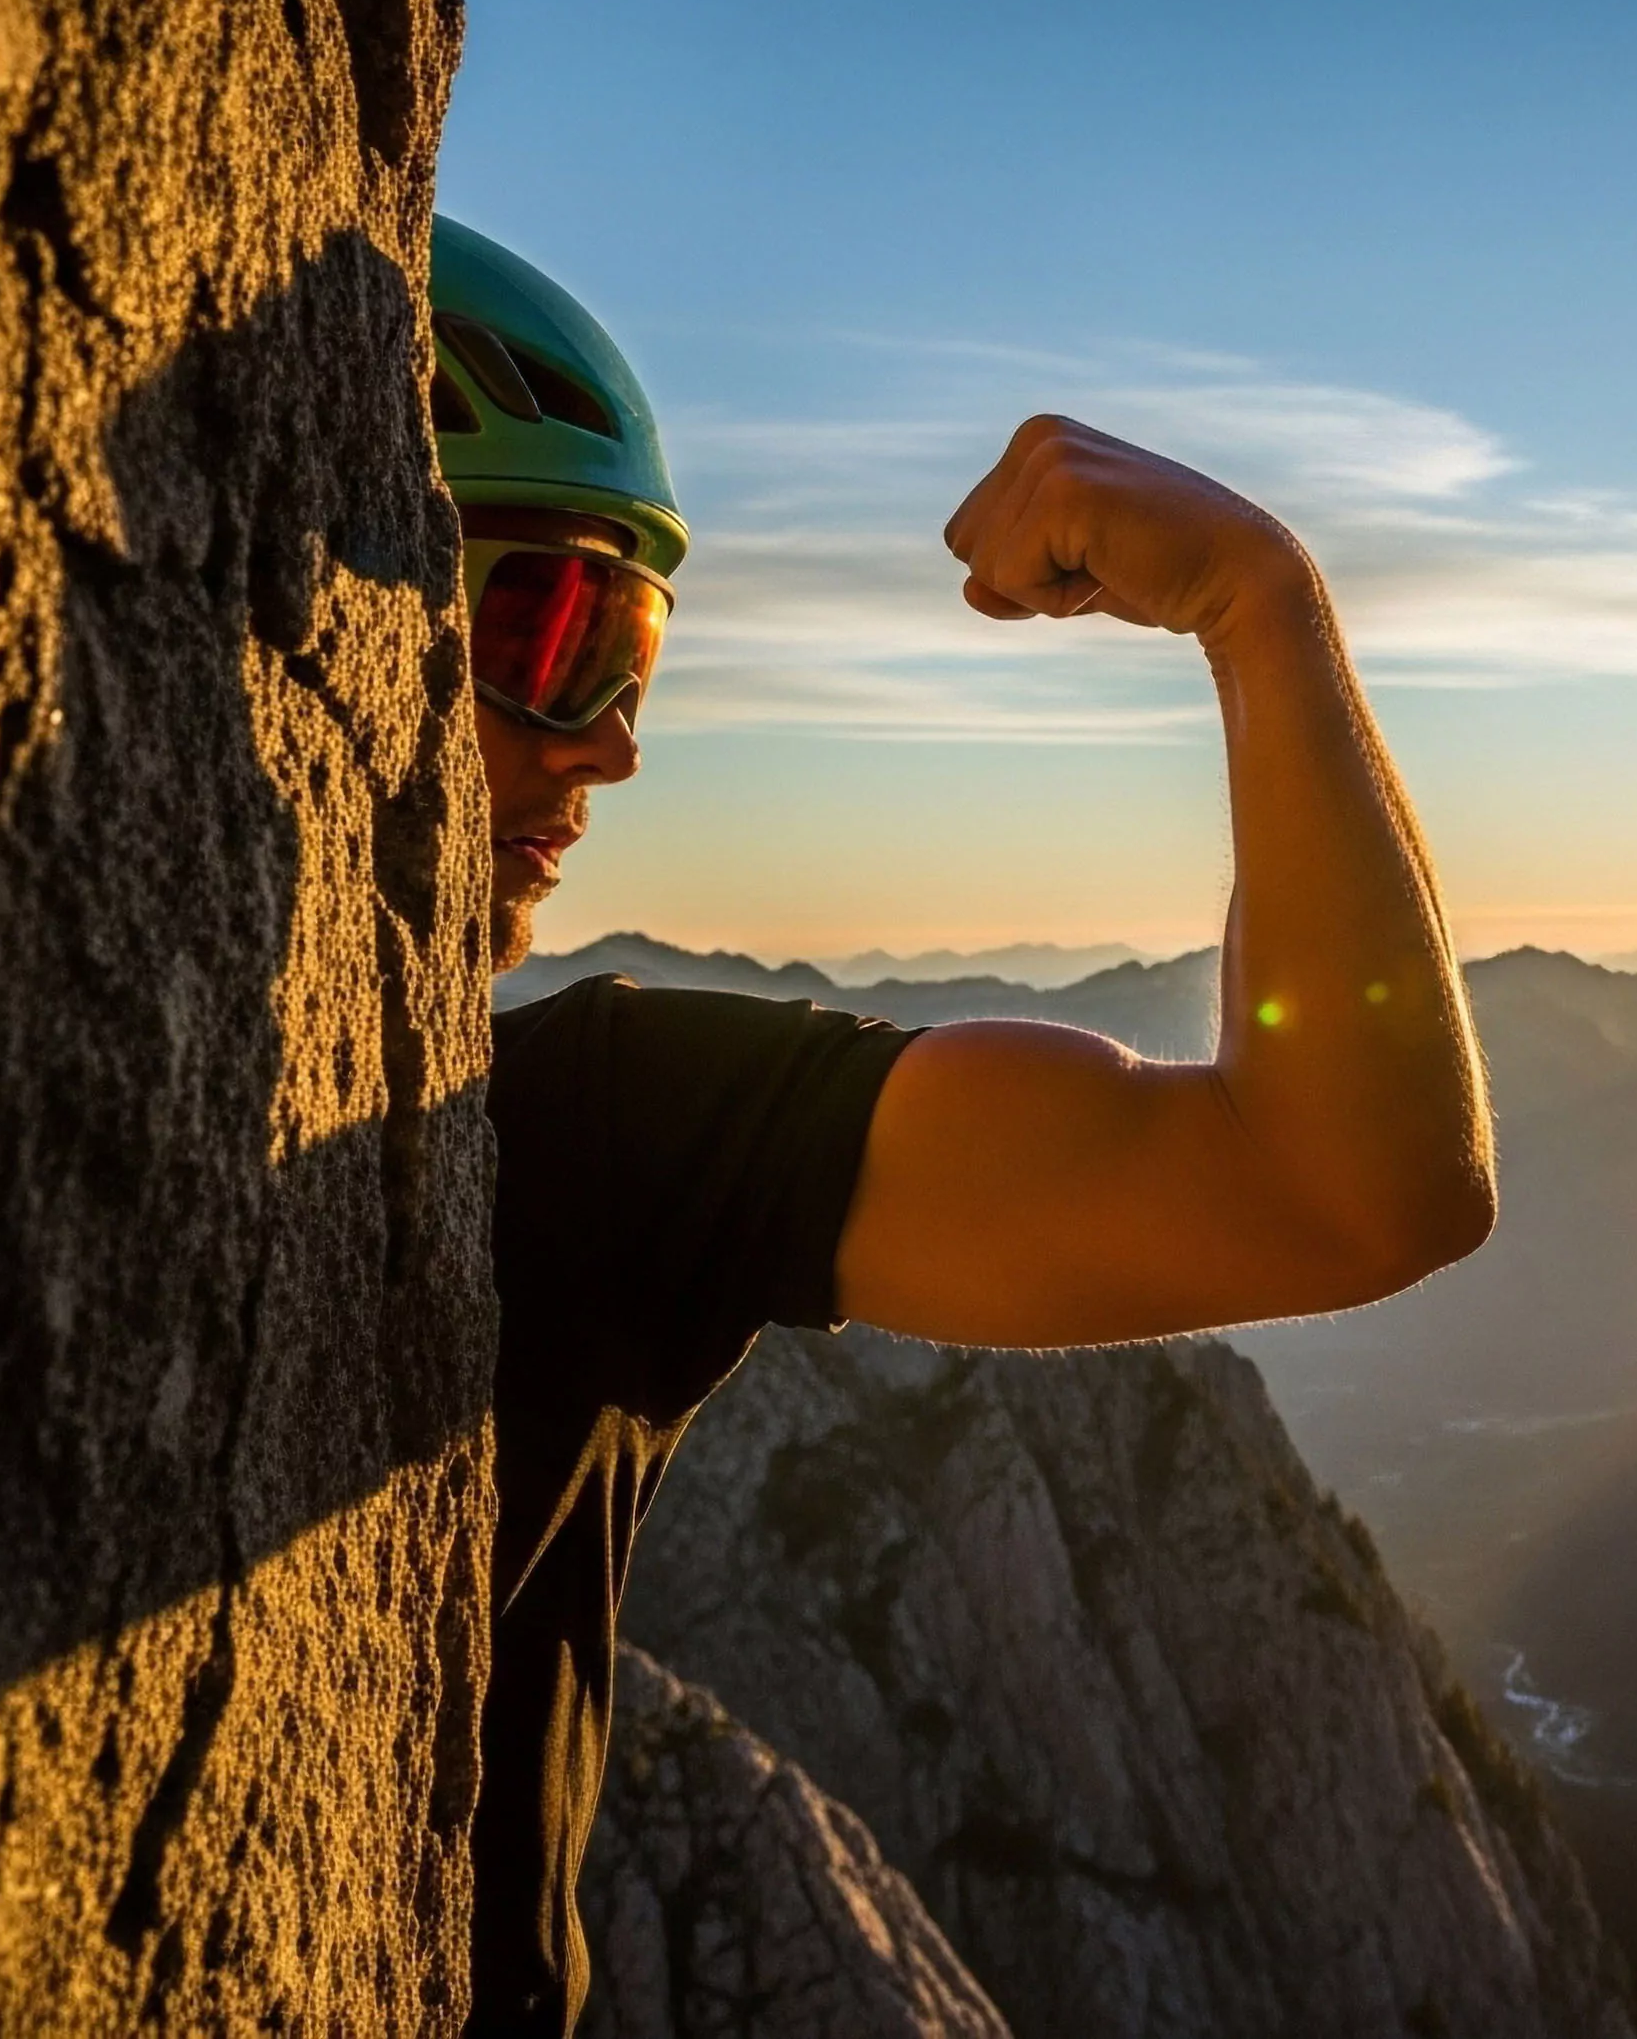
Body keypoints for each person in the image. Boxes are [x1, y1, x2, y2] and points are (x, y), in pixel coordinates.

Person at [429, 217, 1496, 2035]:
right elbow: (1345, 1193)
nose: (610, 746)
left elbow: (1348, 1187)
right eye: (549, 626)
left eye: (635, 652)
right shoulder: (587, 1135)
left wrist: (1268, 603)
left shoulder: (588, 1136)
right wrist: (1255, 604)